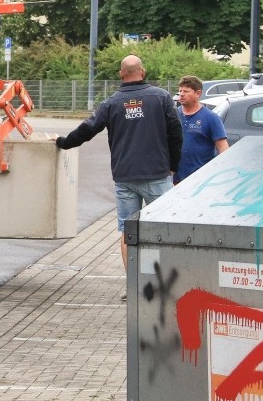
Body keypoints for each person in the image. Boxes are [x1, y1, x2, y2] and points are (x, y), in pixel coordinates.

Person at [54, 55, 182, 285]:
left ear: (121, 74)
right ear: (142, 72)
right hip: (157, 174)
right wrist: (173, 166)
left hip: (125, 177)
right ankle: (162, 284)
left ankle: (133, 284)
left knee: (128, 230)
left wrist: (64, 142)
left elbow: (87, 129)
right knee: (163, 227)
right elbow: (176, 134)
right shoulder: (161, 97)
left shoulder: (112, 103)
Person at [174, 74, 228, 183]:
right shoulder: (174, 115)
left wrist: (223, 173)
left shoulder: (211, 117)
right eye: (180, 91)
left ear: (198, 93)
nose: (181, 94)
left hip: (201, 178)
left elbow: (223, 148)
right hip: (176, 178)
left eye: (186, 91)